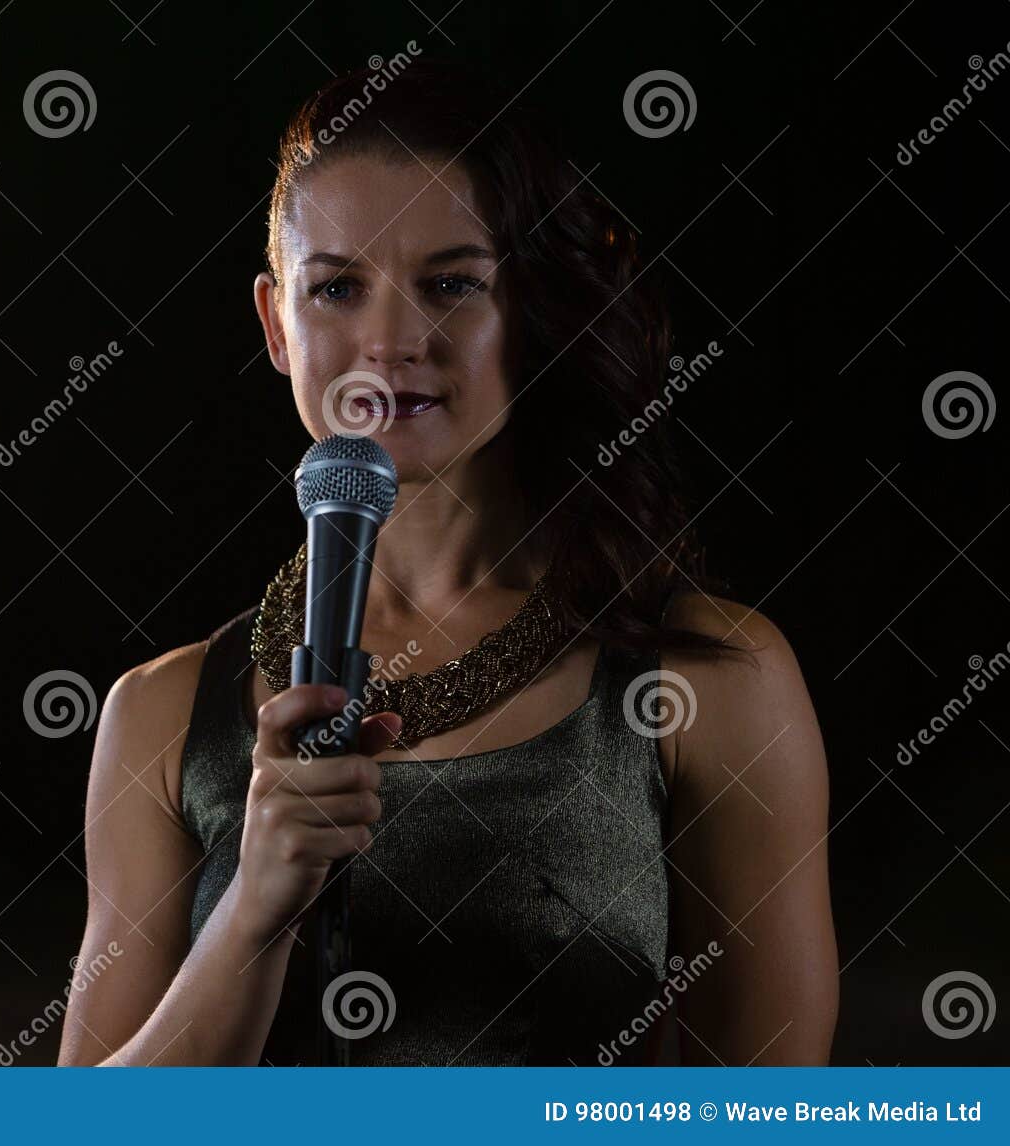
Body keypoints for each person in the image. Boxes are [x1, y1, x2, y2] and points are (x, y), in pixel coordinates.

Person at [58, 57, 837, 1066]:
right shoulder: (160, 717)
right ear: (275, 324)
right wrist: (251, 912)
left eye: (450, 284)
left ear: (532, 312)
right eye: (335, 287)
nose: (390, 341)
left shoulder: (710, 679)